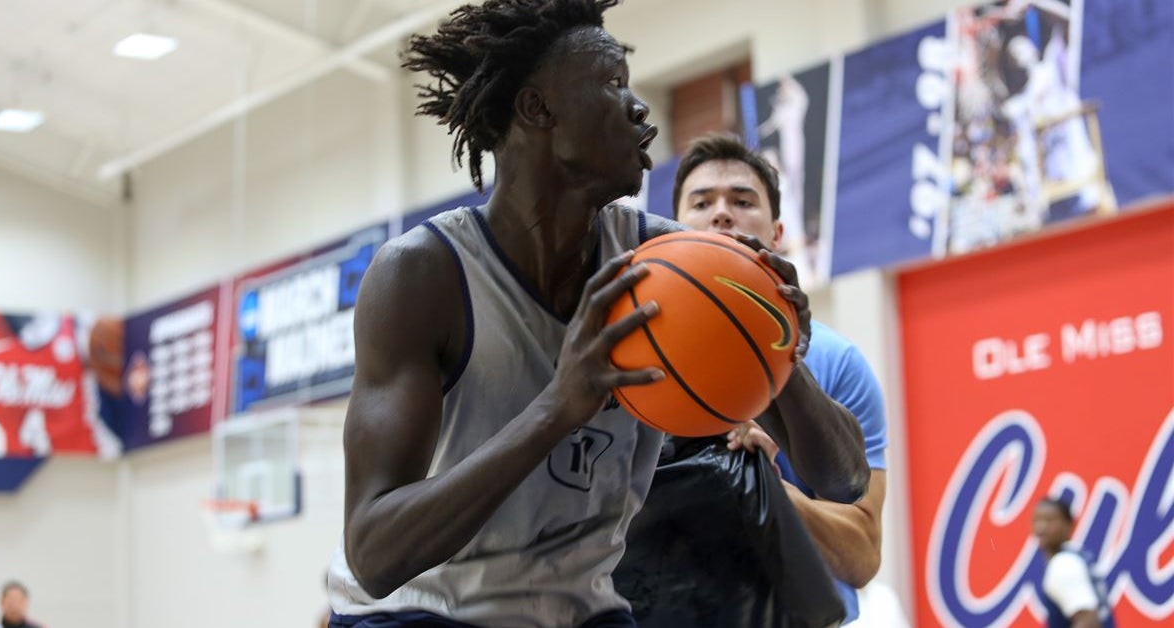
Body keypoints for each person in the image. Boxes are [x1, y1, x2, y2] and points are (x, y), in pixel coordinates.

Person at [325, 2, 870, 626]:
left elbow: (843, 481)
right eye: (612, 84)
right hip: (421, 612)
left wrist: (779, 350)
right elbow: (373, 552)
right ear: (538, 109)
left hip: (584, 610)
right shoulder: (424, 275)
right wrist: (559, 408)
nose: (640, 108)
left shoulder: (671, 265)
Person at [618, 134, 888, 626]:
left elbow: (863, 557)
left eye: (742, 201)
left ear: (778, 231)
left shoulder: (836, 360)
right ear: (666, 227)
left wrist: (763, 483)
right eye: (702, 202)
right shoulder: (628, 347)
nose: (722, 214)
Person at [1032, 497, 1116, 628]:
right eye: (1037, 520)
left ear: (1068, 524)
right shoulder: (1077, 555)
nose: (1041, 527)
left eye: (1050, 521)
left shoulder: (1063, 564)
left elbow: (1088, 622)